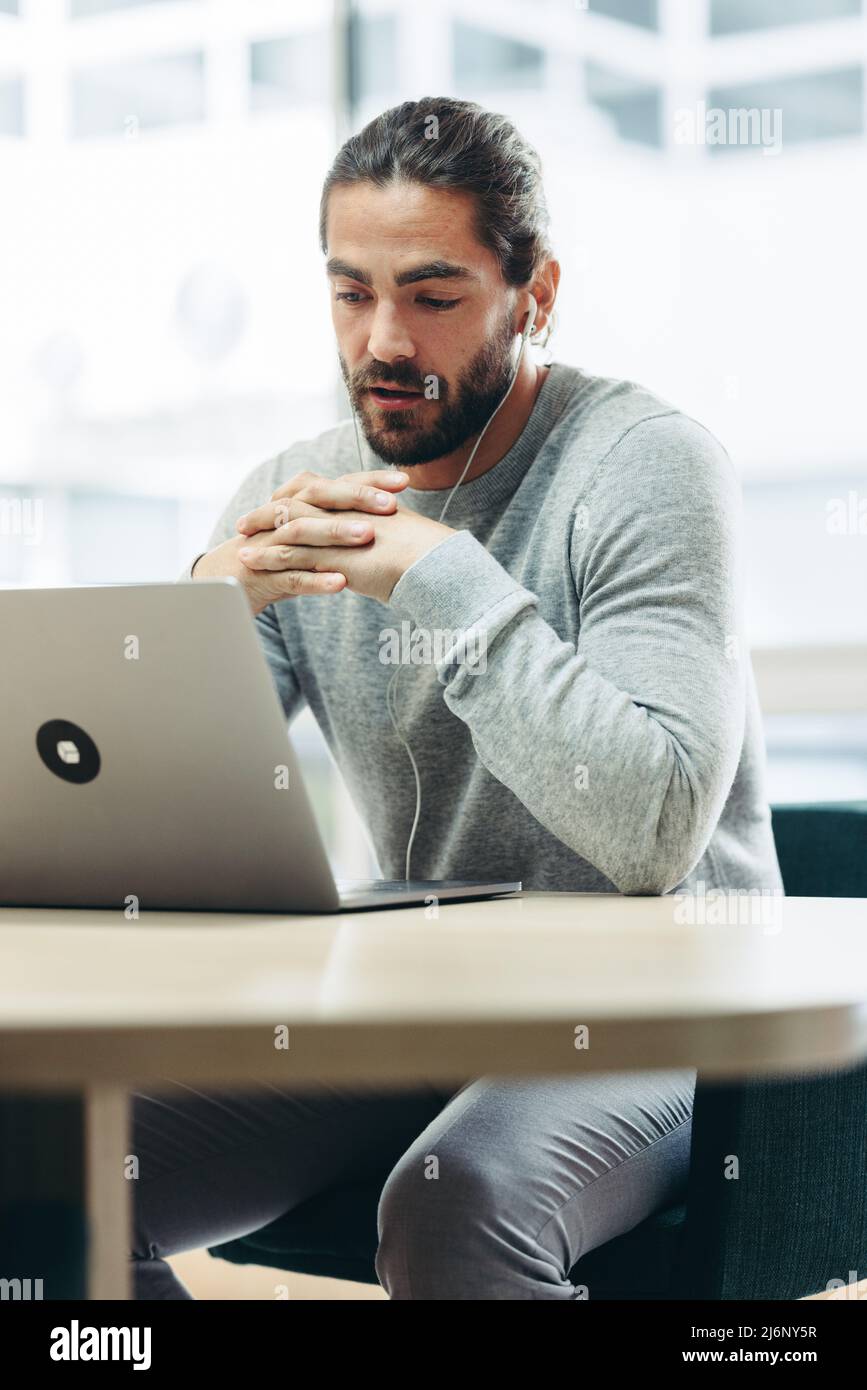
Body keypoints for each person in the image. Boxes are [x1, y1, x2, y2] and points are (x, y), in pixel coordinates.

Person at [131, 96, 783, 1300]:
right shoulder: (293, 490)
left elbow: (650, 831)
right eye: (351, 291)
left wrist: (436, 573)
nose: (383, 339)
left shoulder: (644, 466)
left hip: (667, 1016)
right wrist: (198, 617)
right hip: (417, 1013)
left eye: (433, 297)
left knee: (462, 1200)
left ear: (533, 296)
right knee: (48, 1172)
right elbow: (154, 817)